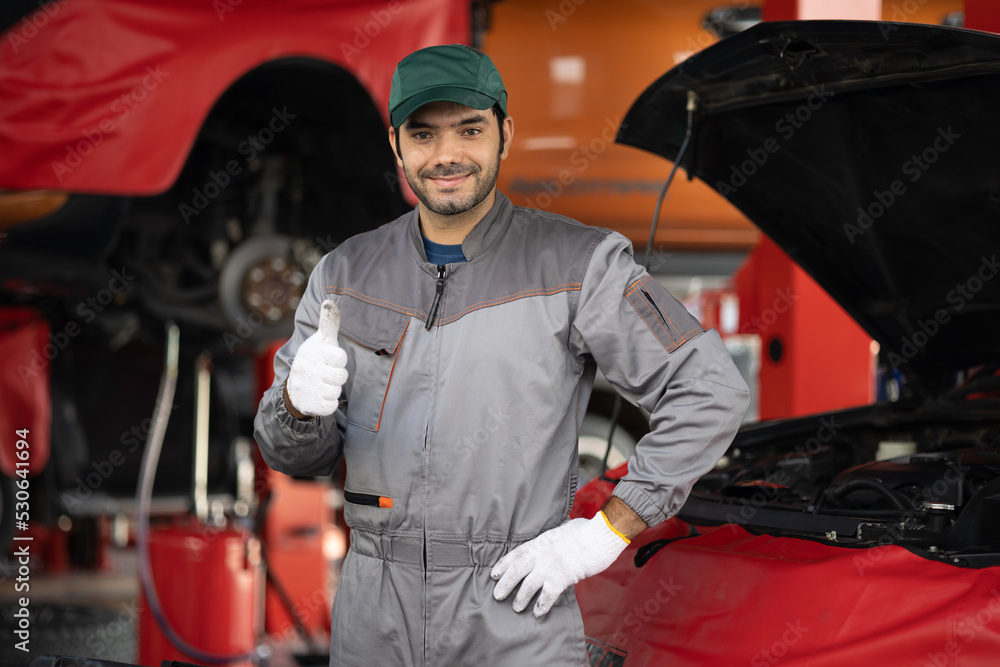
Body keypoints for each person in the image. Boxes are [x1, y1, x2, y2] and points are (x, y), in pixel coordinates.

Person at [254, 44, 750, 666]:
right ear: (396, 144)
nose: (447, 155)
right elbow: (295, 458)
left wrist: (608, 530)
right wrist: (297, 409)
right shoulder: (344, 275)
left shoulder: (581, 266)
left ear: (505, 134)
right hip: (372, 618)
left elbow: (709, 391)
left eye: (470, 129)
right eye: (424, 133)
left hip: (512, 611)